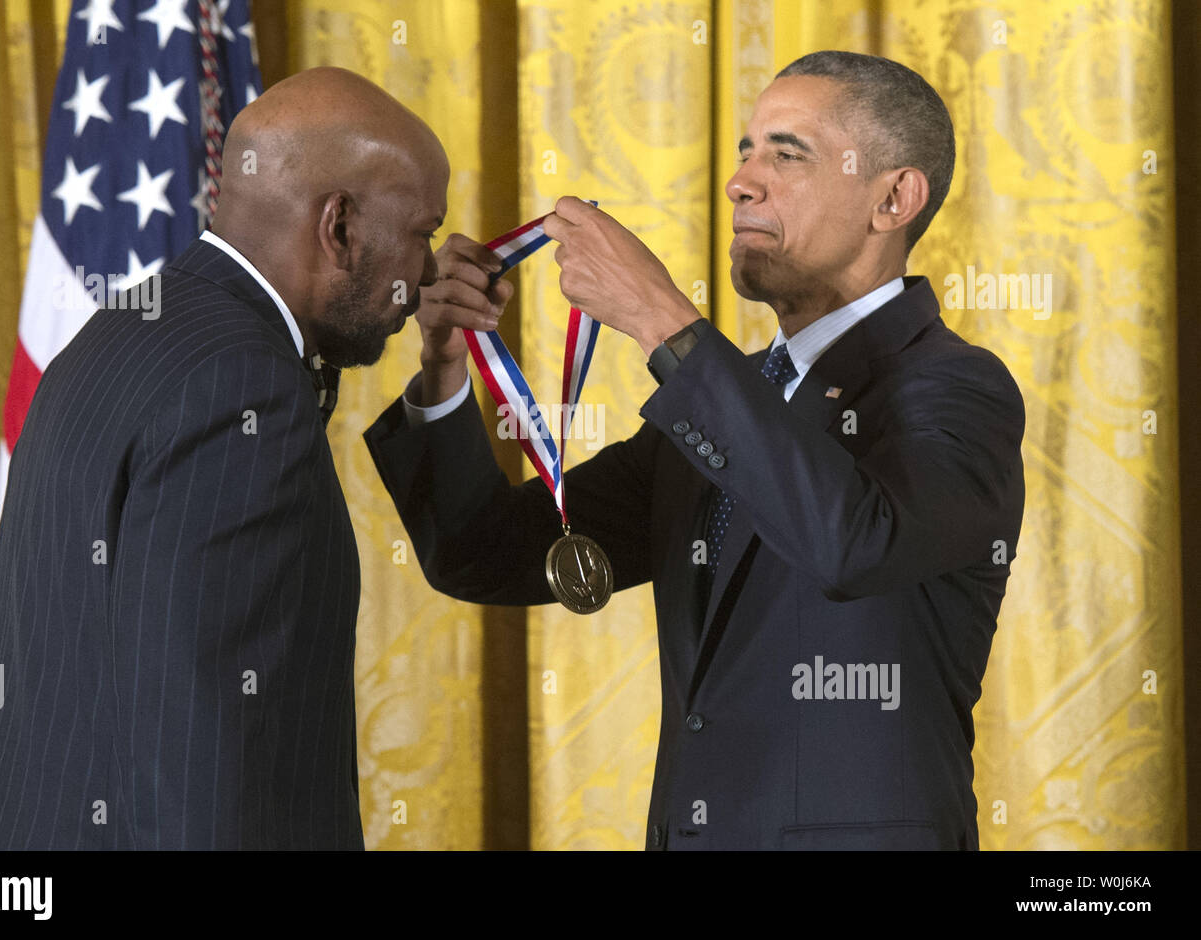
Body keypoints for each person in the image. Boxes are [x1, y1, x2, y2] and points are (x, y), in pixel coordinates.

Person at [365, 51, 1026, 850]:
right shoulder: (720, 395)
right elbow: (483, 554)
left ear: (894, 198)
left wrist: (658, 318)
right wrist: (443, 362)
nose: (741, 181)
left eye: (786, 153)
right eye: (746, 150)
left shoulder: (958, 388)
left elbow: (855, 545)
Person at [0, 67, 509, 849]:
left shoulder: (122, 333)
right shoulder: (246, 388)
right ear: (339, 226)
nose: (424, 274)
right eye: (421, 232)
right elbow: (208, 754)